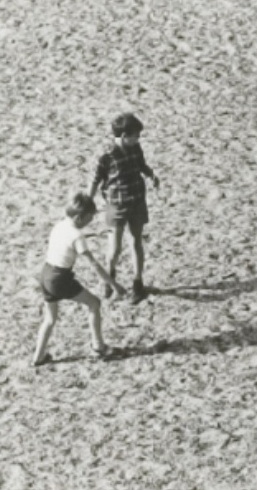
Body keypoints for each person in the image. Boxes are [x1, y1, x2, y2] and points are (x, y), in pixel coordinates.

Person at [32, 194, 126, 367]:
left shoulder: (60, 225)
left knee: (50, 319)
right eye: (90, 218)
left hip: (45, 274)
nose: (91, 220)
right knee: (94, 304)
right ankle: (99, 346)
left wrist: (93, 234)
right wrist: (114, 284)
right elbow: (94, 265)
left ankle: (38, 357)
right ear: (79, 217)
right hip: (60, 279)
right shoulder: (77, 237)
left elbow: (69, 238)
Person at [89, 112, 161, 304]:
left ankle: (138, 283)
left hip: (137, 201)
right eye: (135, 135)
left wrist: (151, 175)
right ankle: (109, 280)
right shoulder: (107, 155)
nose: (138, 139)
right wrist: (88, 201)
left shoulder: (136, 147)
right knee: (115, 248)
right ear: (123, 136)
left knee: (136, 241)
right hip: (116, 205)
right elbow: (96, 180)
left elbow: (141, 165)